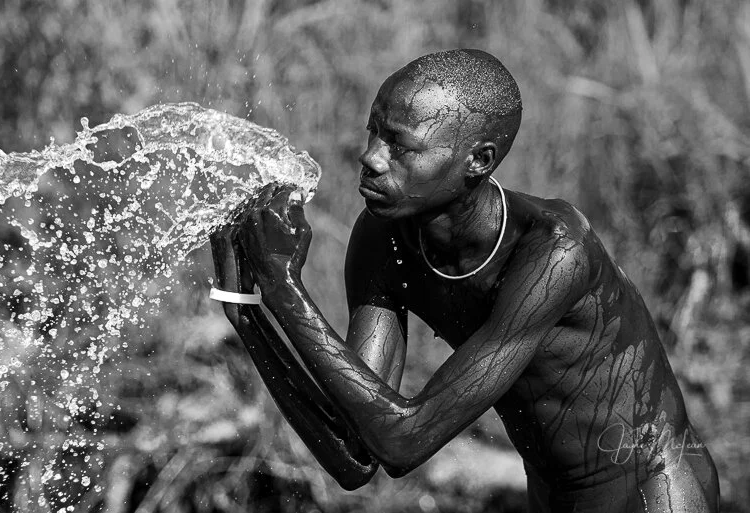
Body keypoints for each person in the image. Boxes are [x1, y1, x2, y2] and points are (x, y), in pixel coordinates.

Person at [209, 49, 720, 512]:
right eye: (374, 130)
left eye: (400, 146)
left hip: (655, 492)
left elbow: (405, 441)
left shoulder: (555, 252)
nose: (370, 157)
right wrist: (250, 313)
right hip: (550, 495)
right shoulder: (384, 237)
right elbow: (357, 455)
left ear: (478, 161)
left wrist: (284, 288)